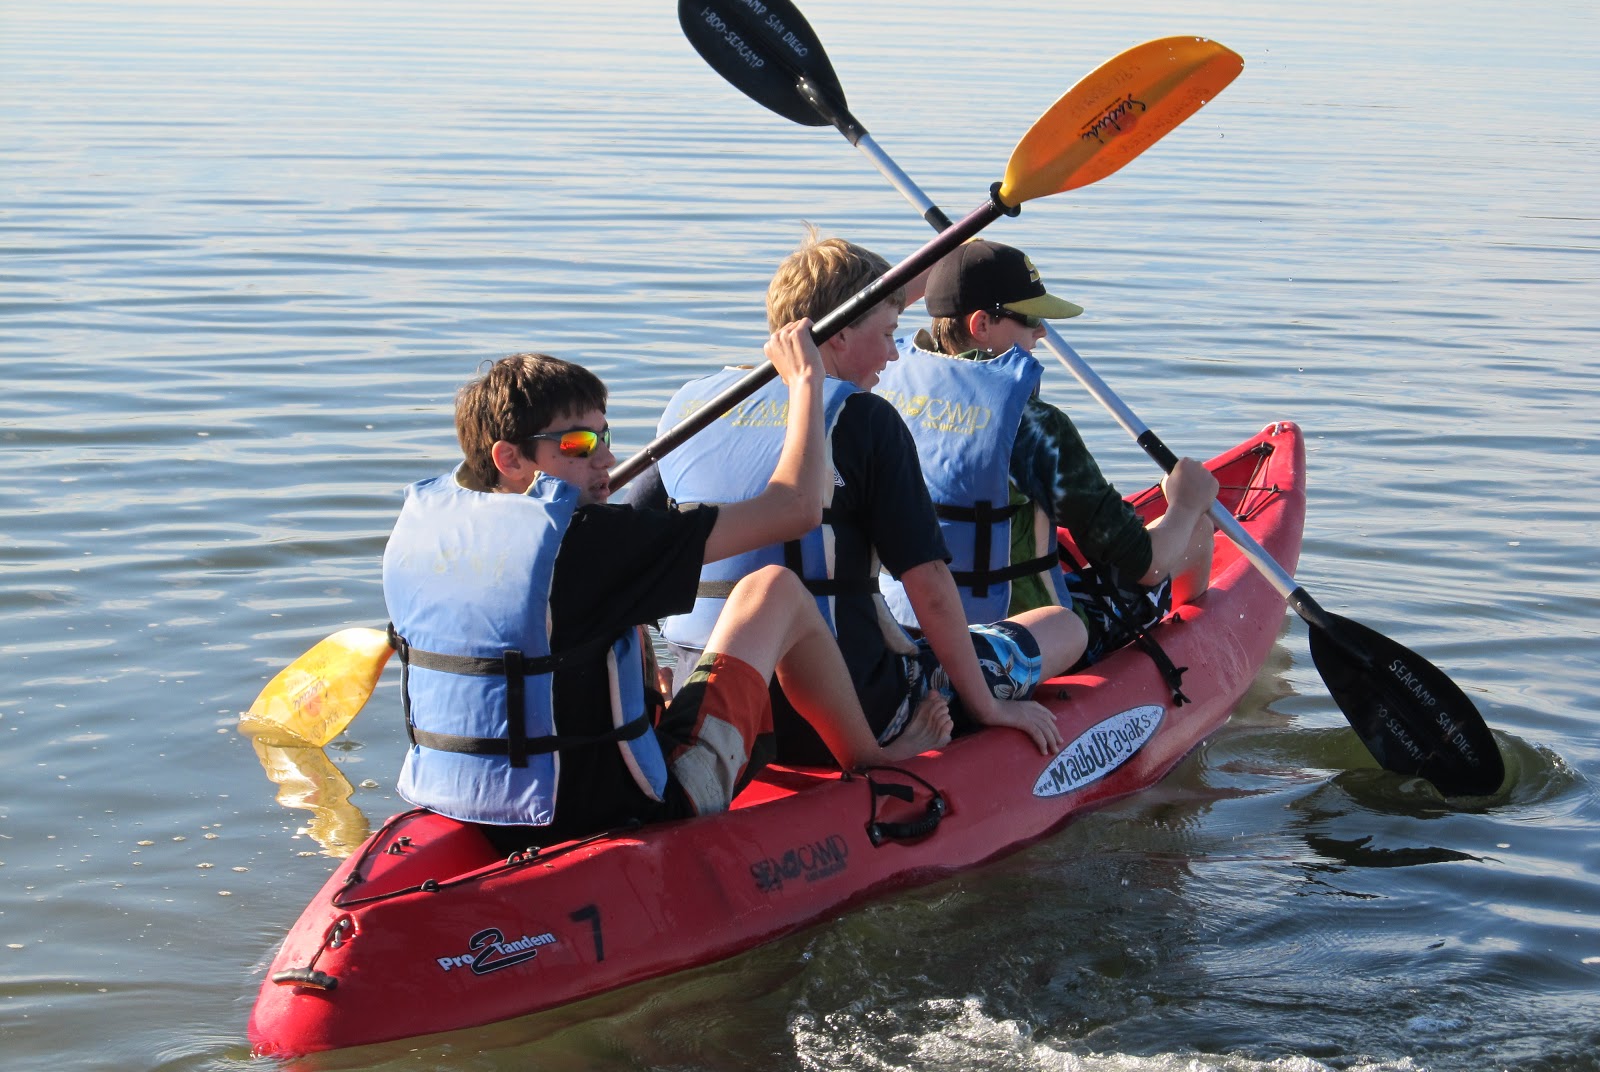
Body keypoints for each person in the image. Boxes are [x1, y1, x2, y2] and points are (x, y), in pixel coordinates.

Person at [380, 321, 951, 853]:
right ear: (509, 457)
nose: (605, 458)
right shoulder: (595, 539)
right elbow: (797, 508)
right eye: (577, 445)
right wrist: (805, 384)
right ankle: (872, 757)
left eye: (605, 436)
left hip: (484, 807)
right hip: (625, 809)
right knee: (774, 588)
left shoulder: (429, 540)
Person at [631, 228, 1087, 762]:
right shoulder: (863, 419)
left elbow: (630, 559)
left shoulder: (692, 406)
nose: (896, 355)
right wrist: (989, 707)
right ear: (841, 336)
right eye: (889, 333)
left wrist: (647, 679)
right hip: (852, 710)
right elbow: (930, 585)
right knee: (1063, 626)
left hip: (713, 697)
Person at [873, 237, 1219, 671]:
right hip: (1024, 632)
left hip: (906, 622)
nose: (1041, 332)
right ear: (981, 325)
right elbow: (1147, 565)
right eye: (1030, 319)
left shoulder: (881, 383)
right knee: (1197, 531)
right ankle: (1196, 657)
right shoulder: (1034, 426)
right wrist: (1185, 504)